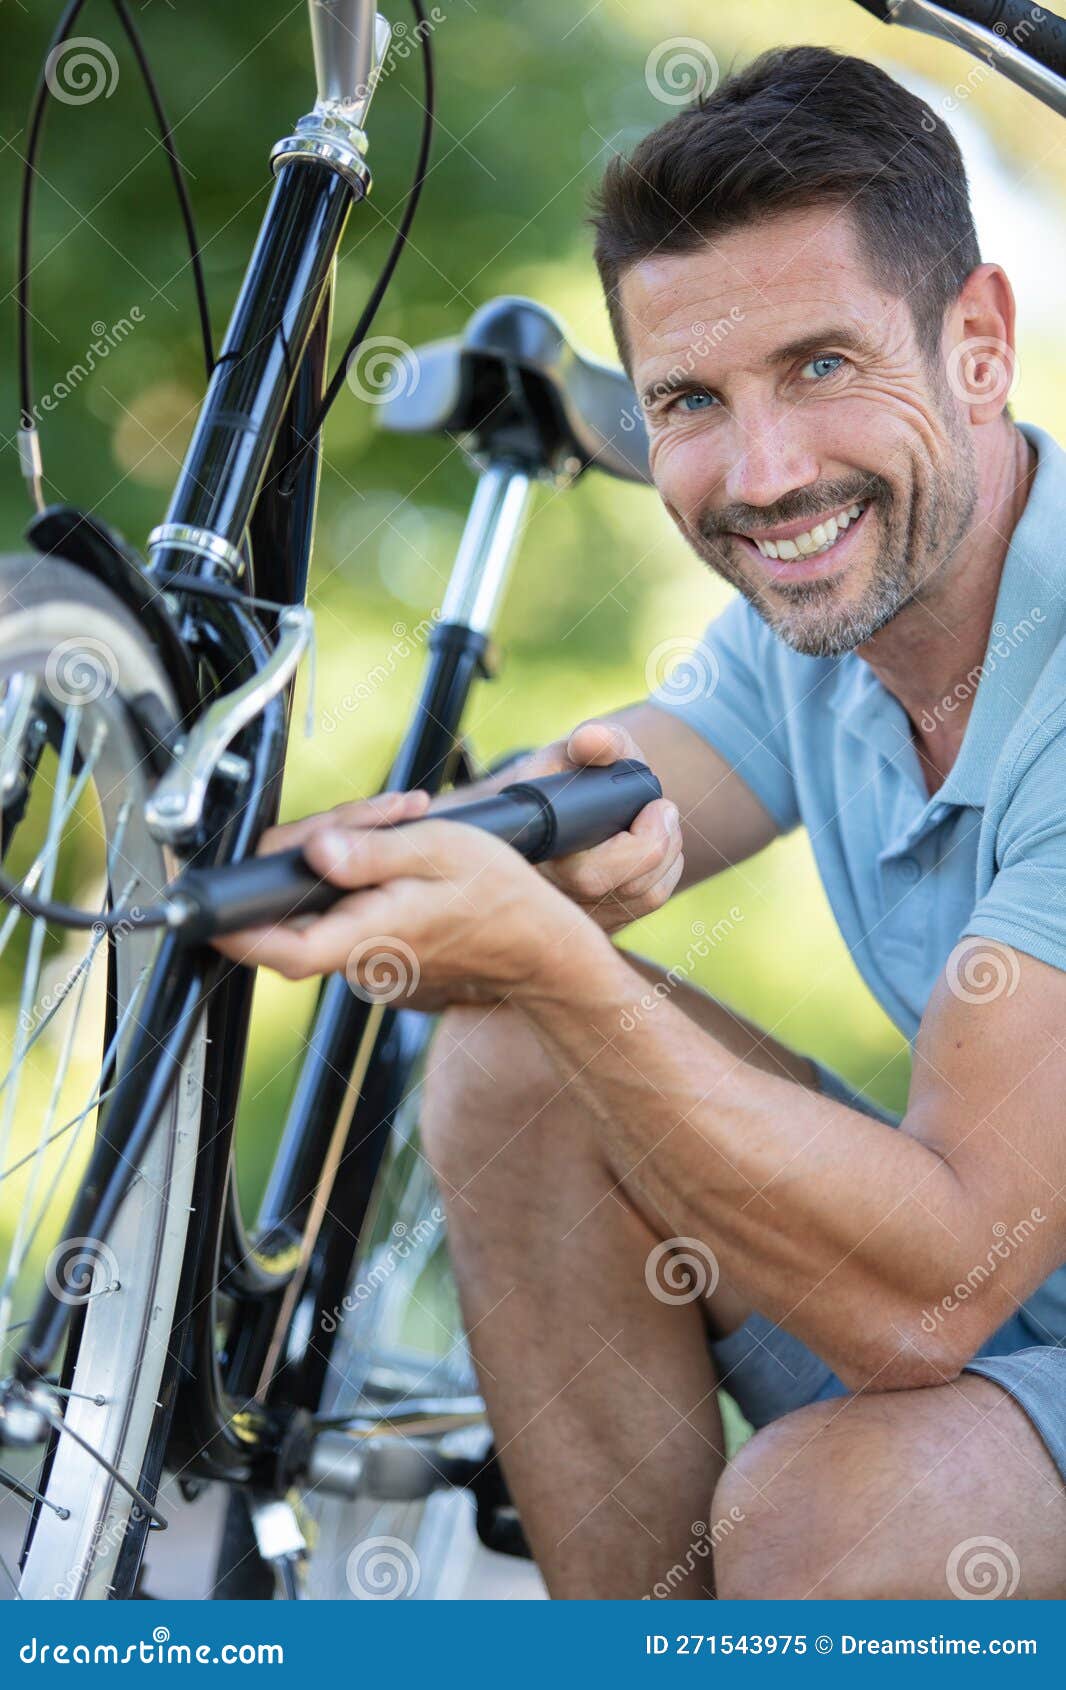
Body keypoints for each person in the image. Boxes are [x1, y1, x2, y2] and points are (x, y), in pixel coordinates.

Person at [216, 47, 1066, 1598]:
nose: (762, 475)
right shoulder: (840, 611)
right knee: (511, 1058)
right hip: (1015, 1322)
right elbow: (587, 798)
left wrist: (553, 957)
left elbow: (931, 1293)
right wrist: (374, 860)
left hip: (970, 1301)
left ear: (979, 345)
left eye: (820, 366)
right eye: (689, 398)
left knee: (832, 1518)